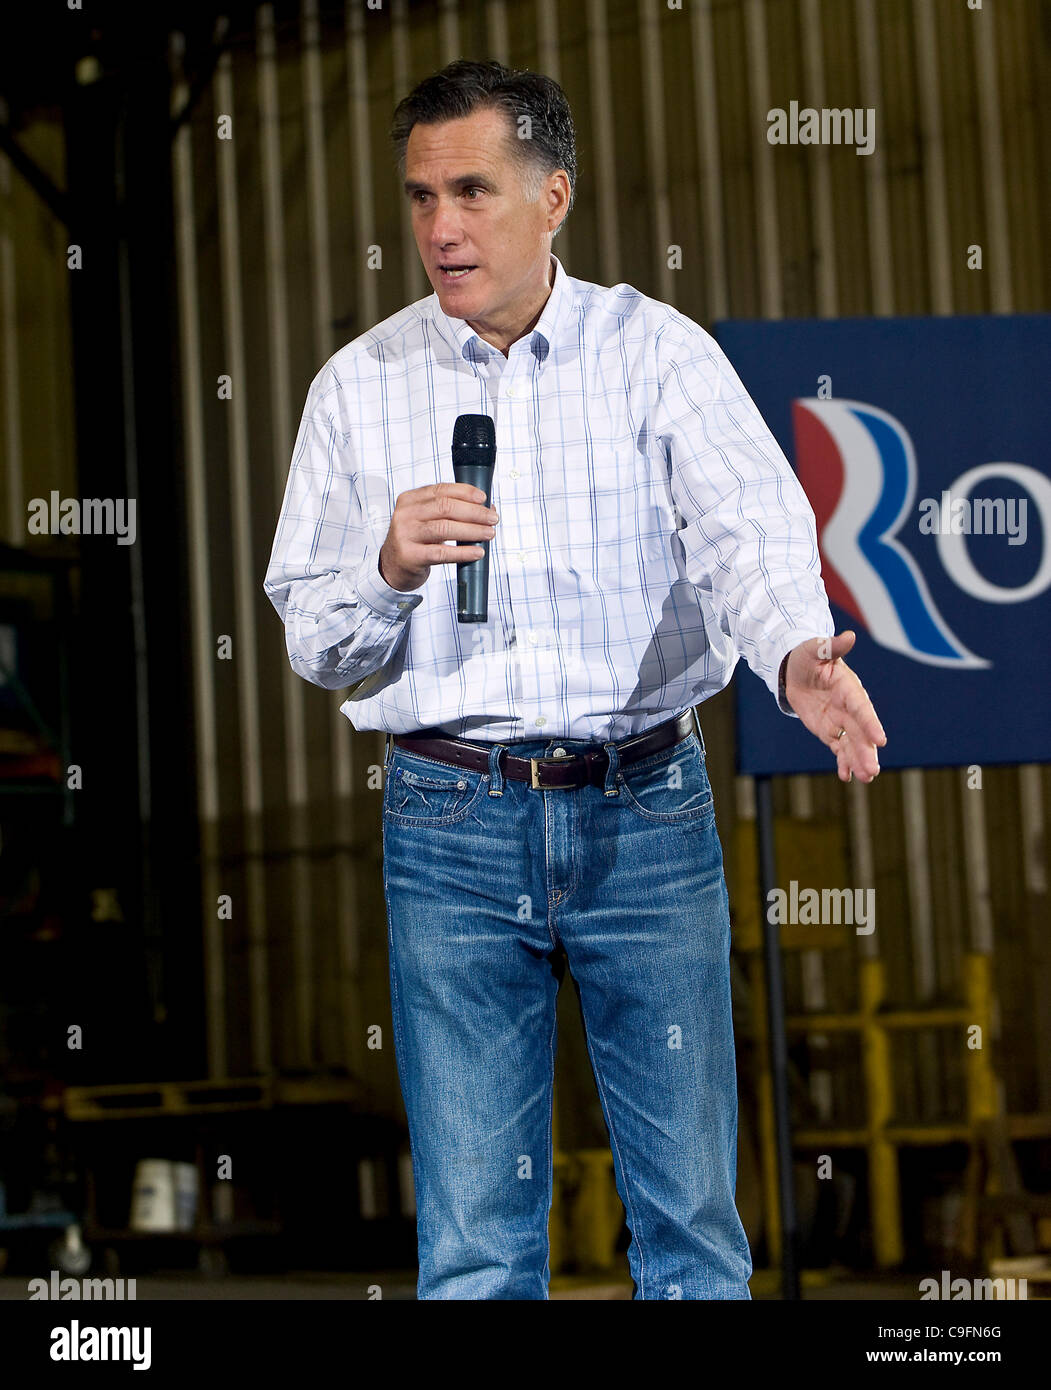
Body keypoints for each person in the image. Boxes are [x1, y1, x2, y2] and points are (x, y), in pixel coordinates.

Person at [263, 58, 886, 1300]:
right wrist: (387, 565)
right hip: (447, 824)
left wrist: (794, 654)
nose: (441, 228)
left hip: (642, 809)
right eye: (421, 196)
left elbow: (746, 538)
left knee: (692, 1230)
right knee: (477, 1246)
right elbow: (313, 641)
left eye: (473, 192)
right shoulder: (359, 390)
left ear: (553, 197)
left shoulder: (656, 356)